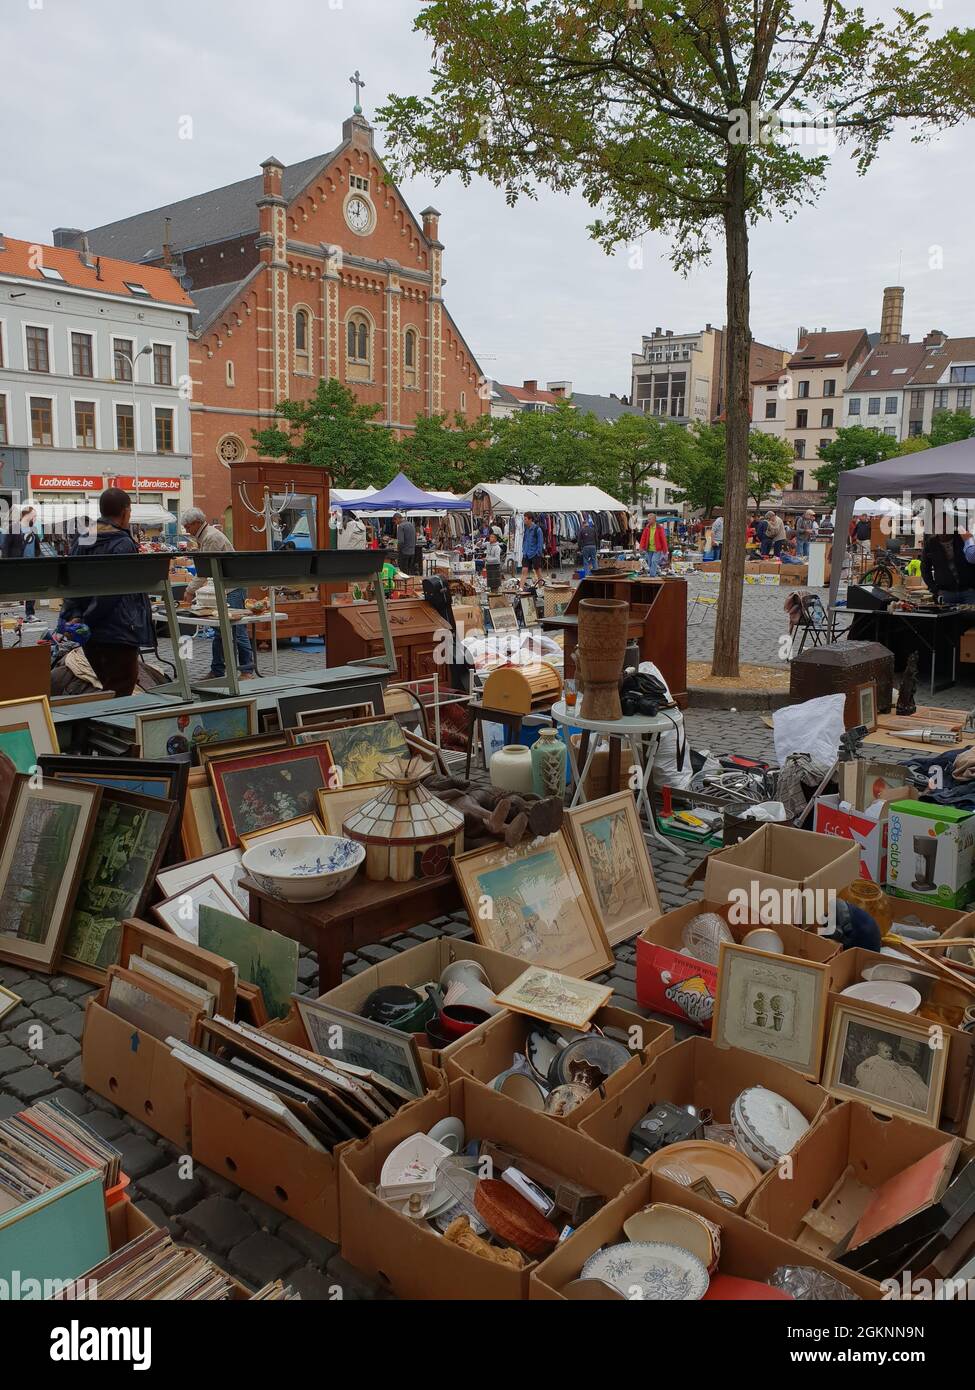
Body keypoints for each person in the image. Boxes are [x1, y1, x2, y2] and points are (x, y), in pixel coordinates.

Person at [62, 488, 153, 698]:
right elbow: (114, 592)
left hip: (90, 634)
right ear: (125, 512)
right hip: (118, 631)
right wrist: (89, 618)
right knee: (121, 689)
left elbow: (71, 582)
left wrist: (78, 617)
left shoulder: (83, 538)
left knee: (109, 685)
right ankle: (114, 729)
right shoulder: (122, 542)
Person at [179, 507, 256, 681]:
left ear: (197, 523)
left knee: (237, 629)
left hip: (233, 588)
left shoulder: (211, 537)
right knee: (221, 630)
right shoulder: (206, 536)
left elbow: (204, 570)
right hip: (226, 587)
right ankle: (217, 670)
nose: (186, 530)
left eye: (188, 526)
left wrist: (190, 590)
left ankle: (246, 671)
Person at [1, 504, 42, 618]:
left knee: (32, 588)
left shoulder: (33, 529)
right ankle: (11, 611)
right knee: (15, 587)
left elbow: (37, 547)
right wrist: (6, 564)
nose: (35, 518)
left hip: (31, 565)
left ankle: (30, 613)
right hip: (17, 563)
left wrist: (39, 559)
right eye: (34, 515)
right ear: (27, 515)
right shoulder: (13, 527)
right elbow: (5, 547)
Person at [921, 530, 975, 605]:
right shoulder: (931, 544)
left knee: (970, 615)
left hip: (968, 590)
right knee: (947, 615)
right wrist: (935, 589)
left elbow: (973, 559)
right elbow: (925, 569)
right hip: (945, 592)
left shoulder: (962, 538)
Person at [640, 512, 669, 577]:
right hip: (649, 549)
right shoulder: (647, 528)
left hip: (657, 549)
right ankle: (654, 573)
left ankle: (652, 576)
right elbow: (643, 538)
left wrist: (665, 550)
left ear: (654, 519)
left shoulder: (659, 528)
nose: (648, 520)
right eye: (648, 519)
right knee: (650, 563)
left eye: (649, 519)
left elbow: (663, 539)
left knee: (653, 561)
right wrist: (641, 547)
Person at [521, 511, 544, 584]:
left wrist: (538, 553)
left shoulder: (537, 529)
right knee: (524, 571)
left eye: (525, 519)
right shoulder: (526, 529)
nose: (524, 520)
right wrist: (523, 550)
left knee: (538, 571)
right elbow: (525, 540)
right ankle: (521, 588)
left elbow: (540, 543)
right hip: (526, 553)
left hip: (535, 553)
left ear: (530, 519)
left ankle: (541, 588)